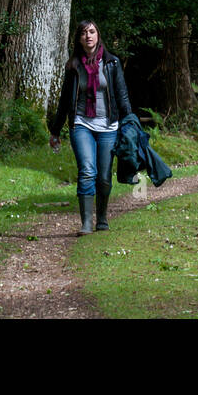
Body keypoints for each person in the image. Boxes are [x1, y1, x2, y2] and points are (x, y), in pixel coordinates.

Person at [48, 20, 132, 235]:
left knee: (103, 176)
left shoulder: (112, 63)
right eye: (84, 33)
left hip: (108, 126)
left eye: (92, 31)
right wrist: (55, 130)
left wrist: (129, 122)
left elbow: (121, 96)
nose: (88, 36)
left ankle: (102, 218)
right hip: (81, 124)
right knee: (87, 171)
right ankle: (86, 223)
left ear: (98, 35)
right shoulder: (73, 66)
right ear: (79, 39)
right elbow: (65, 100)